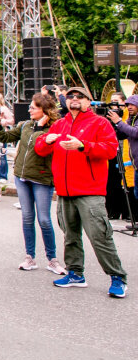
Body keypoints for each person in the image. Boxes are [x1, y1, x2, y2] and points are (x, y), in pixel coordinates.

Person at [36, 86, 127, 297]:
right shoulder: (60, 124)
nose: (74, 99)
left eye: (80, 97)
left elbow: (111, 150)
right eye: (71, 97)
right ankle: (75, 273)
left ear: (89, 101)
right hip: (65, 191)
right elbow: (40, 149)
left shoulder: (100, 123)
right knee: (70, 235)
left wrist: (83, 145)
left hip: (90, 191)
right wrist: (45, 140)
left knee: (100, 236)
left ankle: (118, 277)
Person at [0, 93, 65, 274]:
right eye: (30, 107)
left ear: (45, 110)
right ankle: (30, 257)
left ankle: (52, 259)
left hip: (41, 178)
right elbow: (5, 137)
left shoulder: (54, 129)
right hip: (22, 176)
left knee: (44, 220)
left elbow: (38, 147)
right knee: (27, 217)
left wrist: (39, 128)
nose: (29, 109)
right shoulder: (25, 125)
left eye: (34, 107)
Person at [107, 94, 138, 230]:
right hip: (136, 163)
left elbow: (136, 133)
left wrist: (119, 121)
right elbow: (123, 135)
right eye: (127, 105)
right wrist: (114, 124)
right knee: (137, 194)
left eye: (132, 105)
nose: (129, 107)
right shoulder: (131, 119)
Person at [104, 91, 131, 220]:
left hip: (126, 153)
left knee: (125, 182)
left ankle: (127, 211)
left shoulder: (128, 116)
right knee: (112, 181)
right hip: (113, 152)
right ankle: (113, 211)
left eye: (117, 101)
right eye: (112, 101)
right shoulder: (109, 116)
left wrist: (118, 121)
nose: (114, 104)